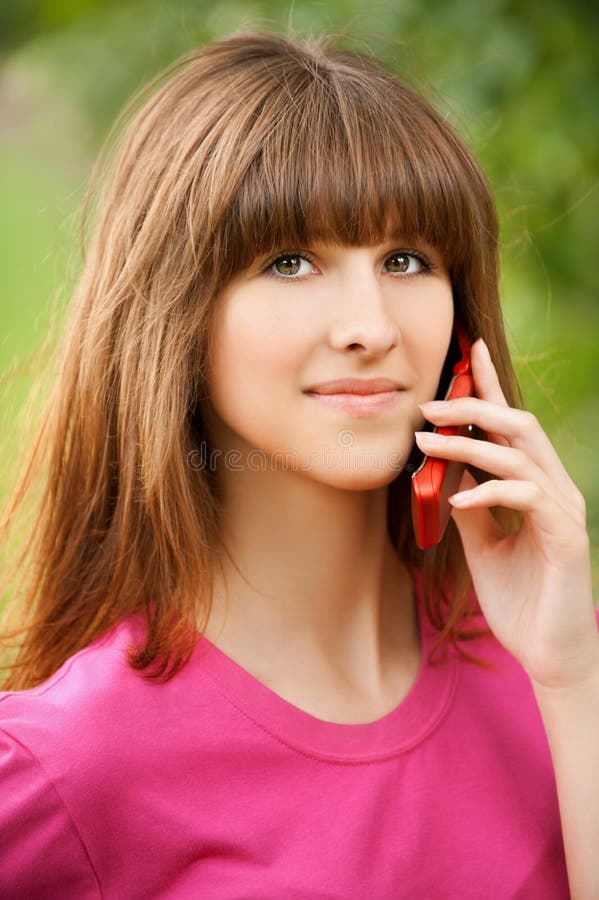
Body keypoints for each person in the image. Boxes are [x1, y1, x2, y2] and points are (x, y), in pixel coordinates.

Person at [0, 29, 597, 900]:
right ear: (175, 316)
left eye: (406, 260)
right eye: (290, 261)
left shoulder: (550, 665)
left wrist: (570, 681)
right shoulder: (70, 764)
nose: (371, 325)